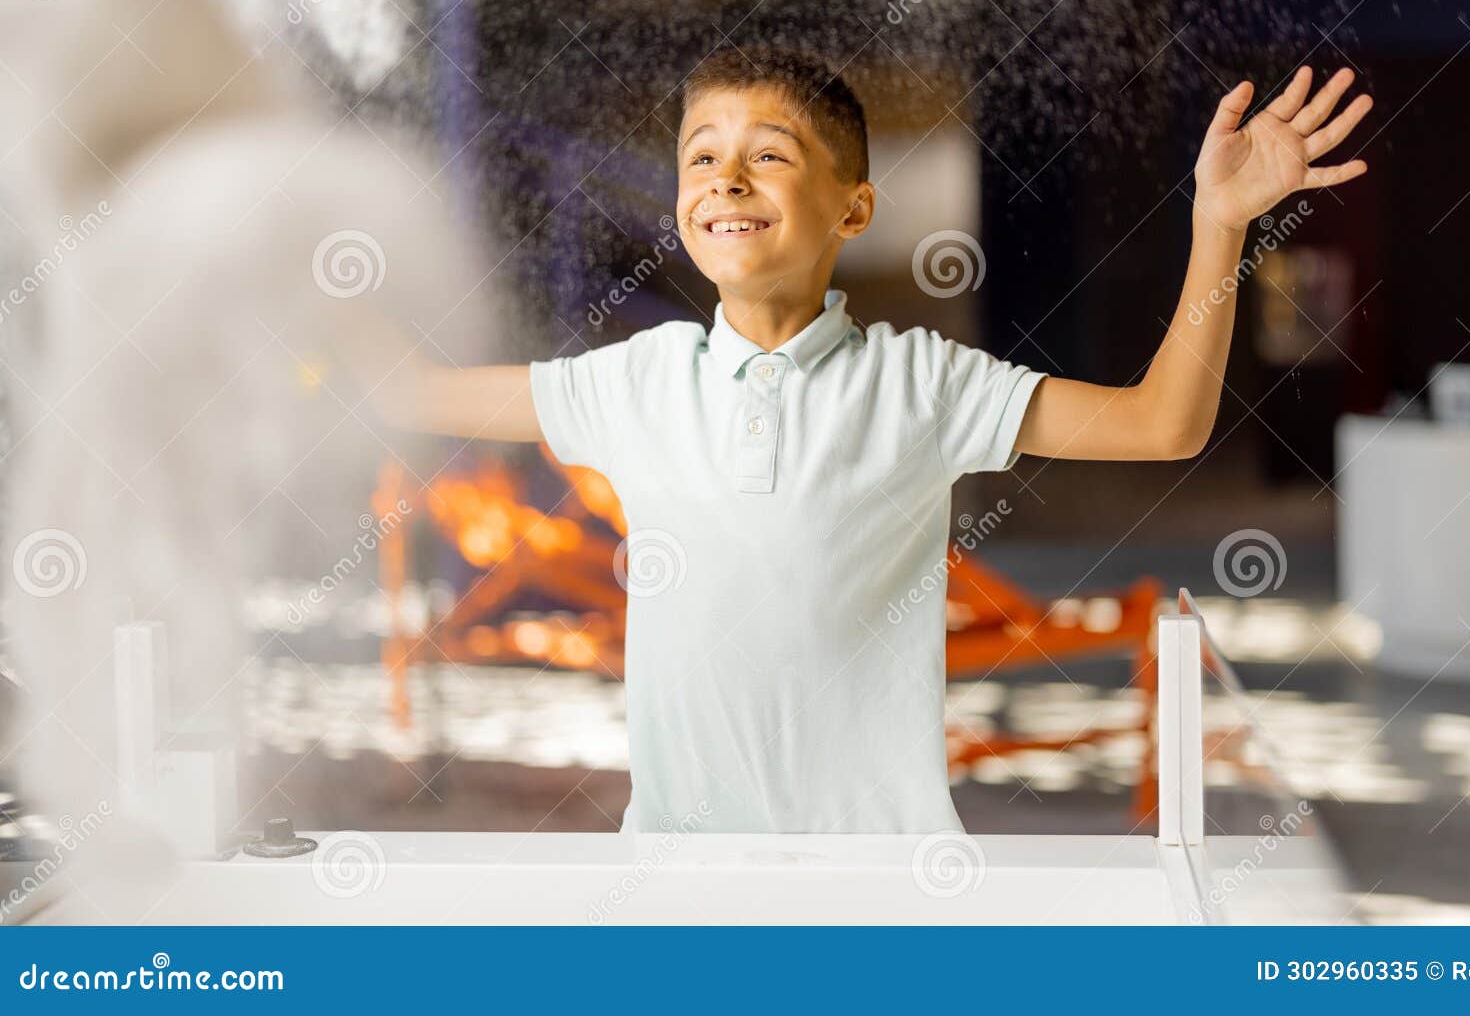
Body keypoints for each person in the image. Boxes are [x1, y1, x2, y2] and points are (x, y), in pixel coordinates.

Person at [360, 46, 1372, 833]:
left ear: (854, 207)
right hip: (675, 867)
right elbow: (404, 390)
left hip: (883, 871)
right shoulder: (631, 380)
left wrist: (1219, 222)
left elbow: (1163, 421)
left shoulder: (922, 381)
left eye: (768, 154)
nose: (727, 178)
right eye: (701, 155)